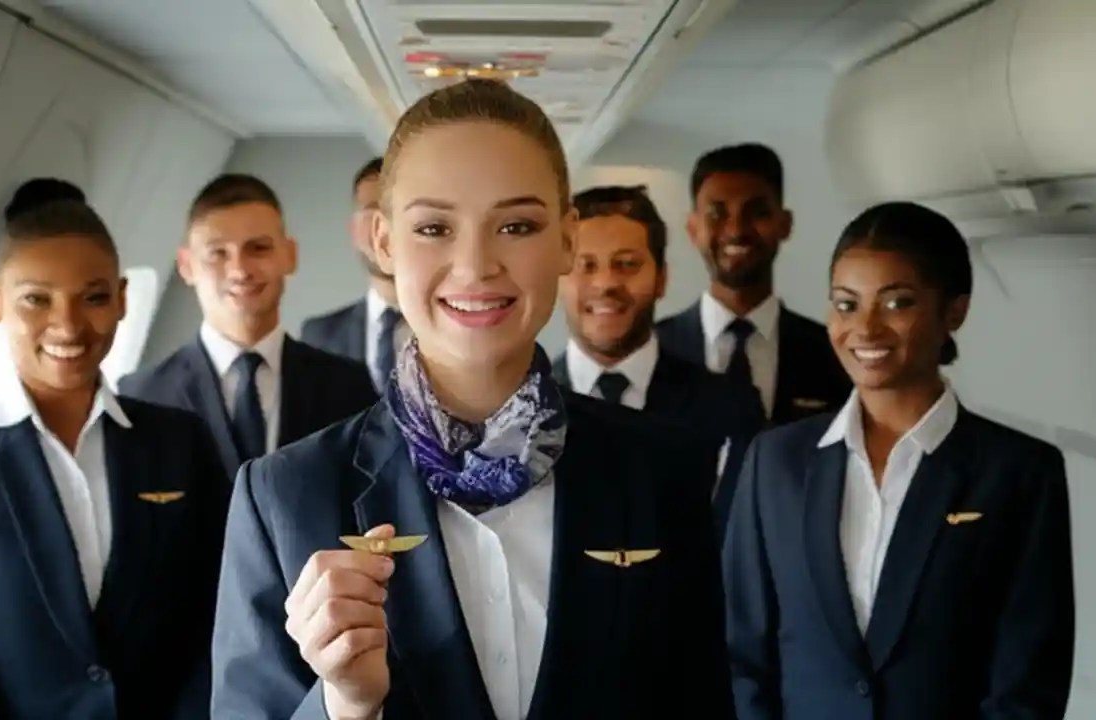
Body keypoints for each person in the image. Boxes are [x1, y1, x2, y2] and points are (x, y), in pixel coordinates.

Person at [212, 79, 734, 720]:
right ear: (382, 242)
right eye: (434, 227)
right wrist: (343, 704)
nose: (475, 264)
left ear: (568, 238)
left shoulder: (660, 472)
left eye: (516, 225)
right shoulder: (284, 497)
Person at [723, 202, 1075, 719]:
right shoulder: (775, 463)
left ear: (954, 311)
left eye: (897, 303)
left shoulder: (1018, 473)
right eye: (846, 305)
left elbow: (1027, 681)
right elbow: (740, 654)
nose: (865, 329)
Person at [0, 179, 229, 719]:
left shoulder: (179, 442)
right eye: (36, 299)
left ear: (122, 300)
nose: (69, 324)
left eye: (94, 297)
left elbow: (219, 618)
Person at [120, 174, 376, 479]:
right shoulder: (143, 395)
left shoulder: (348, 386)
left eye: (258, 248)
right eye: (218, 253)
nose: (240, 270)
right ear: (186, 265)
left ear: (289, 255)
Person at [552, 183, 763, 524]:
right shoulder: (522, 410)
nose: (606, 283)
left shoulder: (729, 409)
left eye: (626, 264)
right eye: (585, 265)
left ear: (661, 278)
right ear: (557, 279)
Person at [656, 143, 850, 425]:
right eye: (716, 214)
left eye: (757, 212)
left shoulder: (834, 354)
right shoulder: (652, 350)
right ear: (693, 228)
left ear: (785, 224)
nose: (736, 230)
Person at [301, 157, 409, 391]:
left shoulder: (457, 325)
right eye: (372, 214)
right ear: (353, 230)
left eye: (394, 213)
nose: (385, 229)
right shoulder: (318, 337)